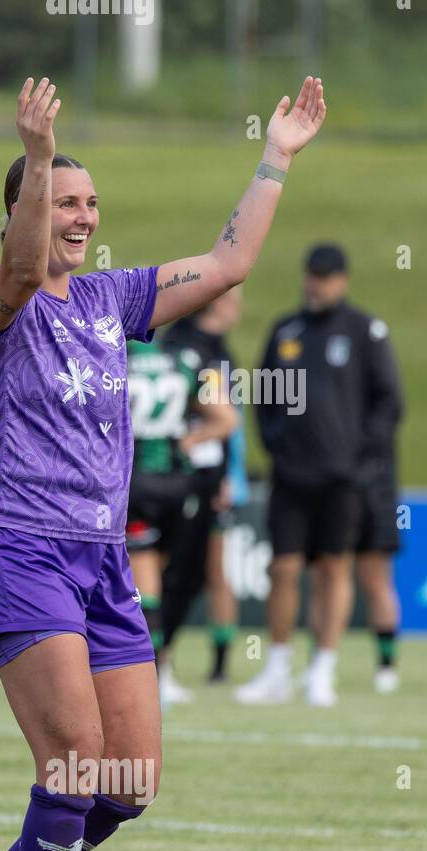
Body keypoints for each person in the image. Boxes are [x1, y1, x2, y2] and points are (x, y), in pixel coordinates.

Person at [0, 76, 325, 851]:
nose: (81, 216)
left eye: (89, 203)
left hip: (101, 564)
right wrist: (37, 156)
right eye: (64, 202)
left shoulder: (115, 297)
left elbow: (229, 264)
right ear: (22, 211)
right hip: (18, 550)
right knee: (71, 756)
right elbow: (25, 268)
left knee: (127, 783)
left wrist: (276, 157)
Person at [235, 243, 401, 707]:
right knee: (283, 568)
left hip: (343, 478)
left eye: (325, 277)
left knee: (334, 566)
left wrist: (362, 459)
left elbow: (388, 401)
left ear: (341, 280)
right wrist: (275, 445)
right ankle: (277, 668)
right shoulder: (288, 331)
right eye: (311, 275)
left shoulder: (365, 331)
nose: (316, 284)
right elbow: (264, 394)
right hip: (292, 476)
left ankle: (322, 669)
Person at [124, 334, 237, 705]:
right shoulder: (184, 358)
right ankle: (161, 672)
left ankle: (151, 677)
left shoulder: (115, 357)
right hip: (177, 484)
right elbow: (226, 418)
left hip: (132, 482)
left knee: (146, 590)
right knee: (166, 581)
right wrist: (190, 440)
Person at [157, 287, 247, 684]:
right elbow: (215, 417)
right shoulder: (180, 346)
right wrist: (188, 444)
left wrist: (229, 474)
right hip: (177, 474)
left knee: (210, 569)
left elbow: (229, 424)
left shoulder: (223, 352)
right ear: (216, 303)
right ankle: (157, 659)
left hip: (212, 476)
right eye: (234, 301)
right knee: (164, 569)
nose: (238, 310)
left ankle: (219, 664)